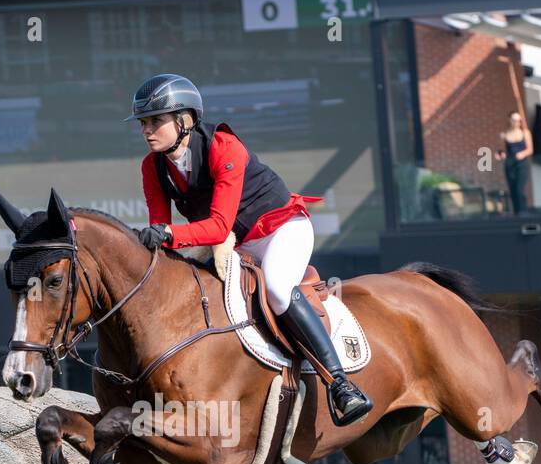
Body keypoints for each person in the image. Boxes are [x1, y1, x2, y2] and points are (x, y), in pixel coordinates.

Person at [127, 74, 372, 426]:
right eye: (143, 123)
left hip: (279, 230)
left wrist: (166, 234)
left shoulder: (224, 147)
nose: (147, 130)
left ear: (185, 120)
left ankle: (341, 385)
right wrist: (154, 240)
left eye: (155, 121)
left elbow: (217, 226)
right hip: (234, 245)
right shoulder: (152, 166)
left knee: (275, 289)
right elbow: (162, 227)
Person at [495, 110, 533, 214]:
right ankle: (516, 212)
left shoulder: (525, 133)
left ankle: (523, 211)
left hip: (522, 163)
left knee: (519, 188)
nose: (517, 123)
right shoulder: (504, 134)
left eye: (519, 120)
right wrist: (500, 154)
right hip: (510, 163)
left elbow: (530, 149)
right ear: (510, 120)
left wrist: (523, 154)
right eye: (514, 120)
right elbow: (501, 150)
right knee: (512, 189)